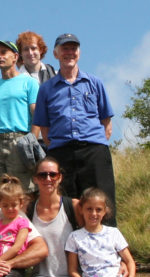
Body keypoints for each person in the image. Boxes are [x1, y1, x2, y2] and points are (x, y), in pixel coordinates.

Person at [33, 34, 116, 221]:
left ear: (79, 52)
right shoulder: (46, 89)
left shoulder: (95, 83)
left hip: (94, 151)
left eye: (73, 48)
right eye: (65, 49)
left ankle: (109, 247)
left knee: (103, 201)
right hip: (62, 153)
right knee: (68, 205)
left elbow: (106, 123)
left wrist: (96, 145)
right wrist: (58, 149)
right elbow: (44, 129)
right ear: (56, 53)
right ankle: (71, 248)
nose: (69, 53)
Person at [0, 39, 39, 192]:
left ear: (15, 57)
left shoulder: (29, 83)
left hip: (20, 140)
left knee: (23, 190)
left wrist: (31, 142)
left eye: (3, 53)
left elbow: (37, 115)